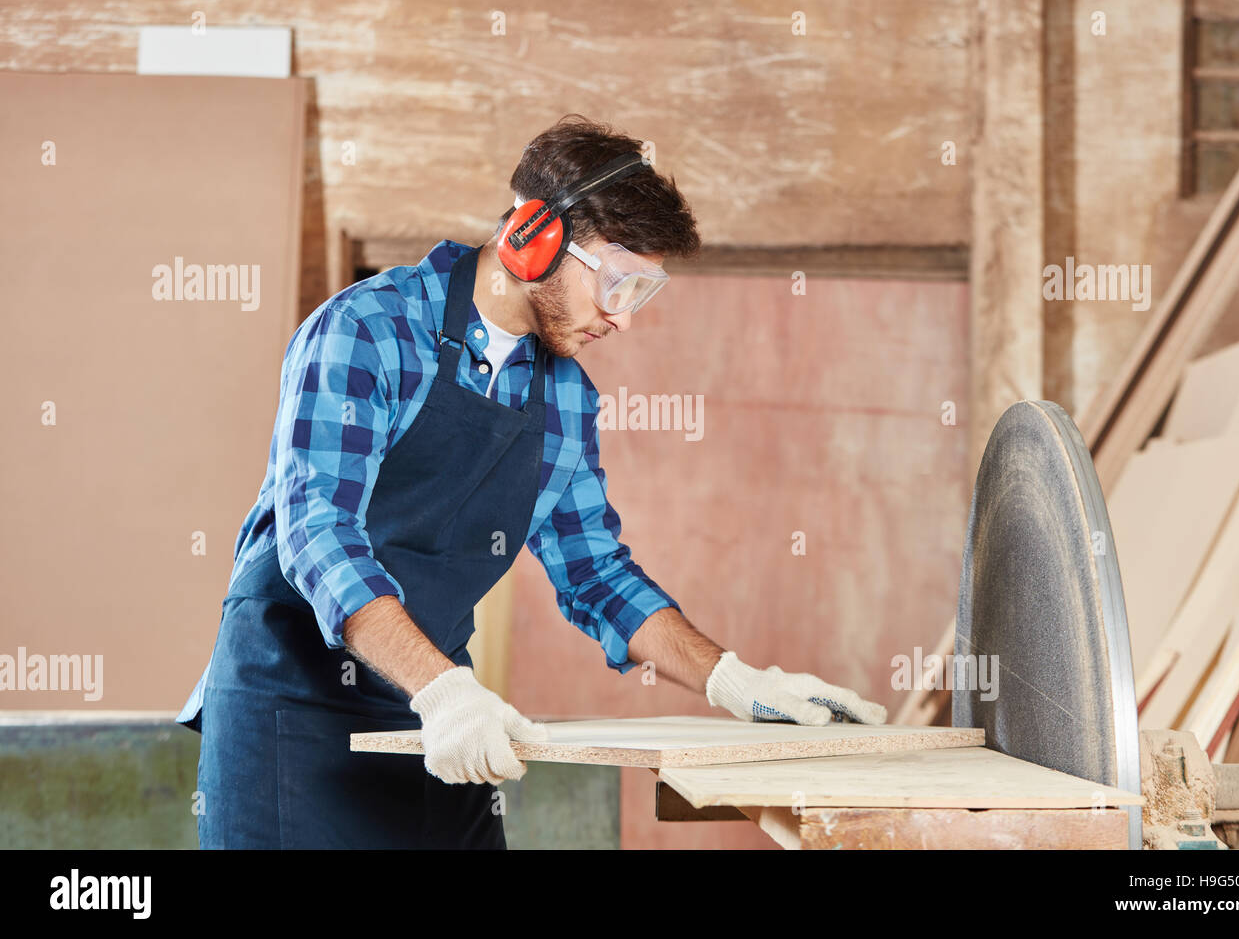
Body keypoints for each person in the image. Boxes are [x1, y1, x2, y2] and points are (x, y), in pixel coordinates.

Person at [176, 114, 887, 849]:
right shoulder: (366, 332)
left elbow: (596, 573)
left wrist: (737, 681)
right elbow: (316, 530)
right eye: (616, 283)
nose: (623, 318)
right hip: (293, 709)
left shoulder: (566, 397)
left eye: (641, 293)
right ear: (532, 238)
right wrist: (443, 690)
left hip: (445, 719)